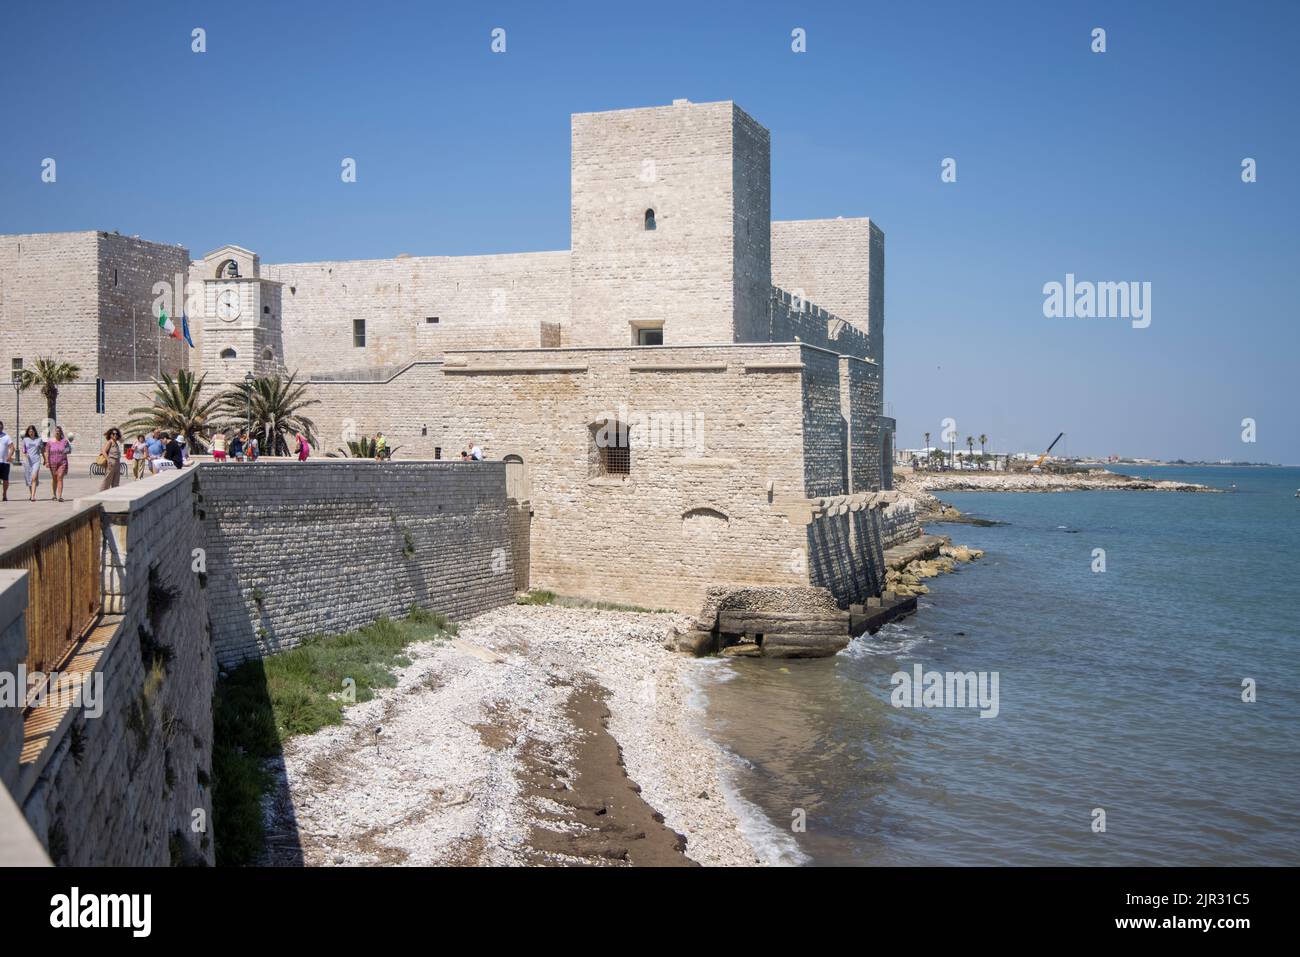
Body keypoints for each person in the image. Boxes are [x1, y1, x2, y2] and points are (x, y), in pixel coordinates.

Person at [45, 427, 71, 501]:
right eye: (56, 431)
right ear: (54, 433)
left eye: (58, 431)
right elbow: (47, 452)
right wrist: (47, 462)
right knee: (54, 478)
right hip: (52, 462)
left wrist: (65, 450)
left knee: (60, 477)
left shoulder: (65, 441)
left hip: (62, 462)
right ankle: (54, 495)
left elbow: (69, 450)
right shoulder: (50, 442)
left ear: (60, 432)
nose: (57, 432)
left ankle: (60, 496)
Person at [21, 426, 43, 502]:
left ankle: (33, 496)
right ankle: (31, 494)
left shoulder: (39, 439)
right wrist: (25, 453)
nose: (31, 433)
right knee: (29, 478)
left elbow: (42, 450)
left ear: (34, 431)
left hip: (36, 460)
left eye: (32, 431)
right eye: (29, 431)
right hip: (28, 461)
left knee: (34, 477)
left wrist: (45, 460)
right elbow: (24, 449)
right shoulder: (25, 439)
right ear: (28, 432)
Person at [0, 422, 12, 502]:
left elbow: (12, 447)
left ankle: (4, 494)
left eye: (1, 427)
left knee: (5, 480)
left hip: (5, 462)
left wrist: (9, 455)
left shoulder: (7, 437)